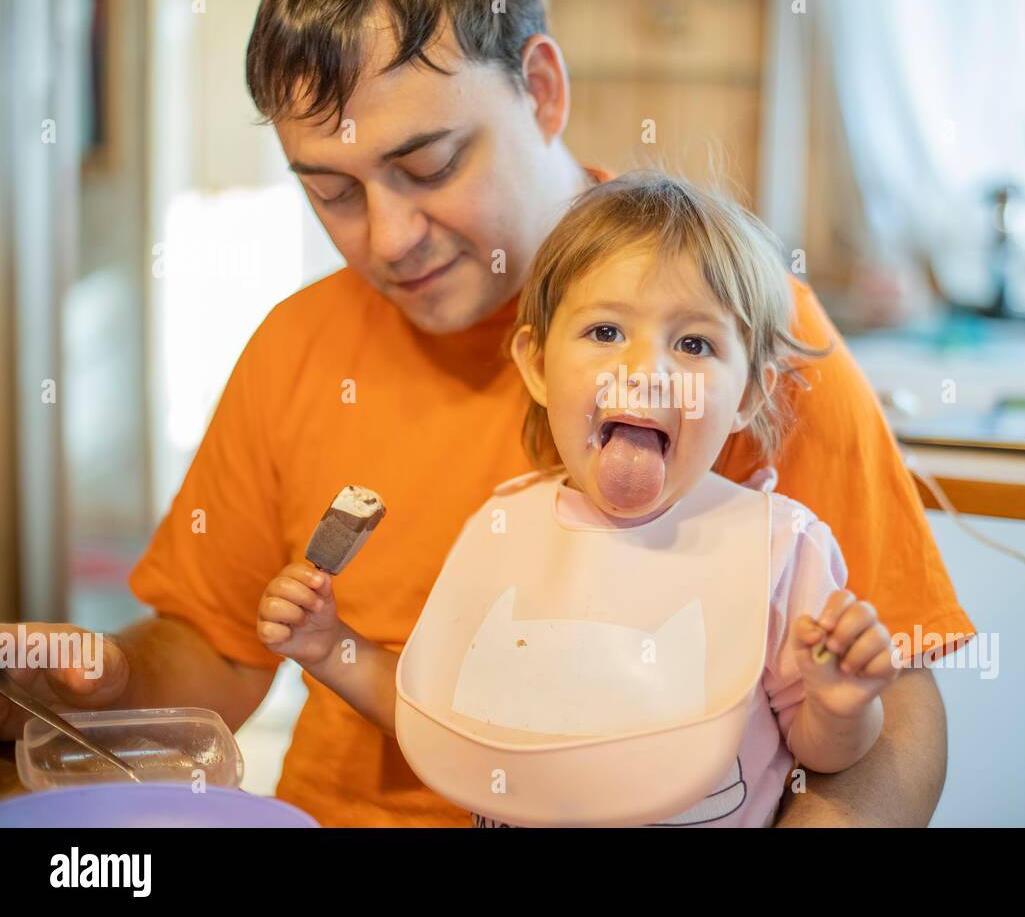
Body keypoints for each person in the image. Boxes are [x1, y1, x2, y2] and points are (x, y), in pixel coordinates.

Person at [0, 0, 973, 827]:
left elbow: (899, 709)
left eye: (428, 166)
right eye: (331, 192)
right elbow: (213, 647)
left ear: (542, 90)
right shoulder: (298, 345)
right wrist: (102, 682)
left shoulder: (728, 337)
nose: (386, 239)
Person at [257, 172, 903, 827]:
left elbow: (821, 755)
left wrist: (841, 705)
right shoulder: (506, 528)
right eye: (604, 333)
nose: (645, 371)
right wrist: (328, 645)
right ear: (536, 365)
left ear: (746, 396)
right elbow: (442, 719)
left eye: (694, 344)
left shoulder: (778, 550)